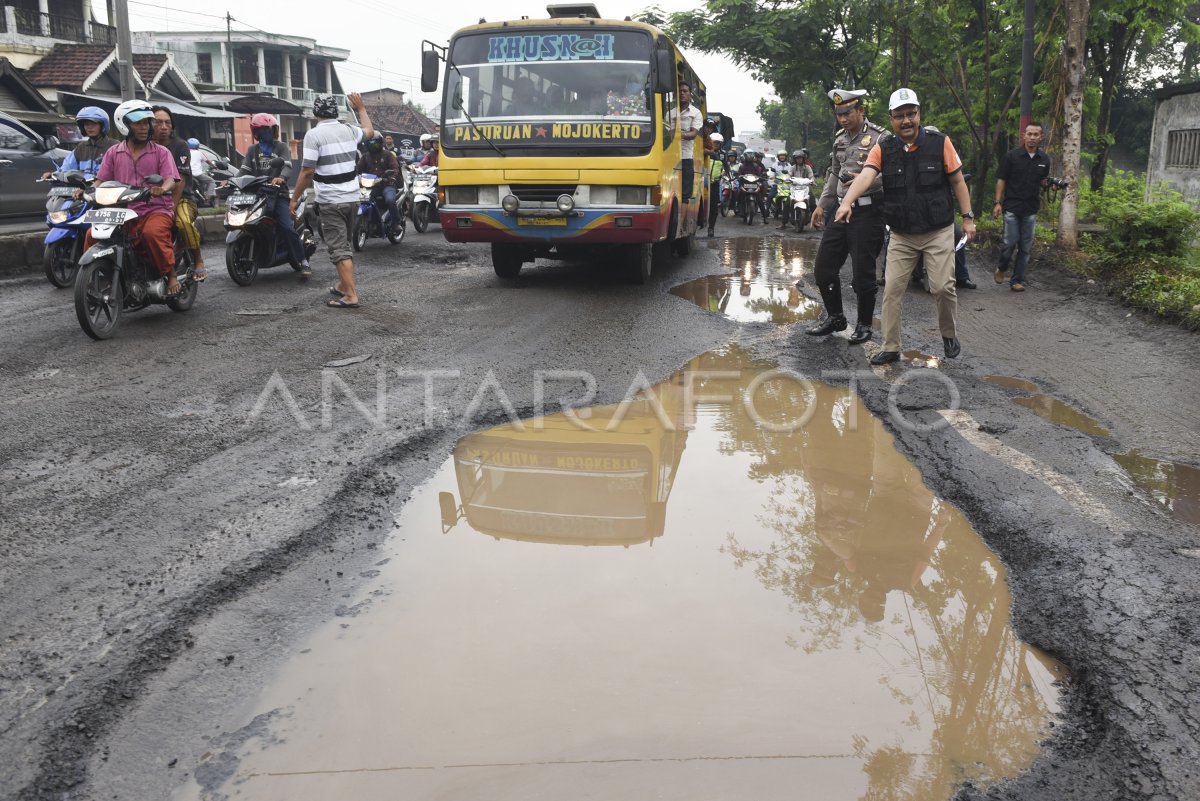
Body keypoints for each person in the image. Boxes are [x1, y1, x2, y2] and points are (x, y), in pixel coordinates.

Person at [836, 88, 977, 364]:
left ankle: (948, 334)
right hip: (901, 233)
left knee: (941, 287)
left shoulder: (940, 143)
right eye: (899, 116)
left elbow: (958, 181)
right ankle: (890, 347)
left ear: (919, 114)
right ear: (891, 119)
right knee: (892, 290)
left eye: (911, 114)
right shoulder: (884, 148)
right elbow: (865, 176)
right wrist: (846, 202)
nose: (906, 121)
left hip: (937, 231)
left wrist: (968, 218)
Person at [805, 88, 888, 344]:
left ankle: (864, 325)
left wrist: (866, 180)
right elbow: (834, 173)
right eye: (839, 114)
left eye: (848, 113)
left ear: (861, 110)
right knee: (823, 269)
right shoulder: (839, 139)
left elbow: (893, 175)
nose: (843, 119)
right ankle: (836, 317)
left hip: (868, 211)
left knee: (862, 274)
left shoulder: (880, 138)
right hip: (840, 210)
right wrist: (822, 204)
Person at [290, 92, 375, 309]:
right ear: (336, 112)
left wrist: (294, 199)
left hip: (331, 201)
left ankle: (351, 296)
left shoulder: (313, 135)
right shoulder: (349, 130)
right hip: (352, 199)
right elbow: (370, 132)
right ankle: (343, 285)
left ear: (316, 112)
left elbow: (307, 171)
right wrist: (361, 109)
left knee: (339, 250)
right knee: (344, 245)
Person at [90, 99, 181, 294]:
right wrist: (87, 191)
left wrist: (162, 188)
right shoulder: (113, 153)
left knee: (152, 233)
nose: (144, 127)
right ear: (125, 124)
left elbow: (171, 179)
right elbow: (100, 180)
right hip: (123, 211)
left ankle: (171, 274)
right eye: (138, 123)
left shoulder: (161, 152)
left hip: (156, 208)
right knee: (92, 235)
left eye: (147, 122)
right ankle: (98, 274)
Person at [239, 112, 309, 276]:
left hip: (278, 195)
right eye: (263, 130)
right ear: (256, 132)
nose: (267, 133)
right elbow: (244, 170)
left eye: (270, 129)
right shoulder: (252, 150)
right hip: (257, 195)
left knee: (286, 226)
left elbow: (287, 166)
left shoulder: (281, 147)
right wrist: (232, 181)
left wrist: (281, 178)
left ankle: (303, 260)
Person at [994, 122, 1051, 292]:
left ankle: (1016, 280)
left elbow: (1042, 181)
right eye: (1029, 134)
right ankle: (1002, 267)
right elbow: (1001, 179)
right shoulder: (1012, 156)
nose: (1032, 137)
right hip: (1012, 206)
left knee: (1025, 248)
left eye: (1036, 135)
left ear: (1041, 137)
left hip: (1031, 209)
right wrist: (997, 203)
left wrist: (1050, 185)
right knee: (1010, 243)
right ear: (1024, 136)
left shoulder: (1044, 159)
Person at [151, 105, 206, 282]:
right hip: (151, 199)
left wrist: (171, 207)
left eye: (167, 123)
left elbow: (180, 180)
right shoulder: (144, 147)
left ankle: (198, 259)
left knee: (182, 222)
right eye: (158, 122)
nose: (164, 127)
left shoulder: (180, 146)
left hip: (181, 198)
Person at [43, 106, 117, 179]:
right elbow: (66, 168)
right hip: (84, 189)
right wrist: (54, 175)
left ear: (102, 125)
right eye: (86, 124)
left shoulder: (114, 146)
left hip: (108, 189)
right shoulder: (81, 148)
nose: (89, 127)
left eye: (93, 123)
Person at [357, 134, 402, 233]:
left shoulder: (388, 154)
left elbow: (395, 168)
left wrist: (392, 176)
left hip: (387, 184)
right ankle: (372, 221)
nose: (373, 145)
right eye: (370, 143)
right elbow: (358, 168)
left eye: (375, 143)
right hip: (370, 185)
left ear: (380, 143)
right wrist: (353, 175)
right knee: (362, 200)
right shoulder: (365, 156)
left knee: (390, 200)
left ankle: (396, 223)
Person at [676, 81, 703, 203]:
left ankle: (683, 222)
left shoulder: (696, 113)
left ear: (690, 94)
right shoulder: (669, 112)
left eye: (685, 91)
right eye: (680, 91)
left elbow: (693, 134)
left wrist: (676, 135)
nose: (682, 93)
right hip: (669, 157)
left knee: (685, 196)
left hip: (686, 157)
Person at [706, 131, 728, 237]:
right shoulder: (704, 152)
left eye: (717, 143)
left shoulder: (723, 155)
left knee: (713, 207)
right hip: (702, 183)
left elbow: (726, 168)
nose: (715, 145)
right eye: (713, 143)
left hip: (714, 184)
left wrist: (725, 175)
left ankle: (711, 228)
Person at [187, 138, 216, 206]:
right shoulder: (199, 153)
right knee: (211, 181)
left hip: (187, 174)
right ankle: (208, 197)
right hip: (197, 174)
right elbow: (208, 161)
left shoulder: (185, 152)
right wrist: (214, 166)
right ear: (197, 145)